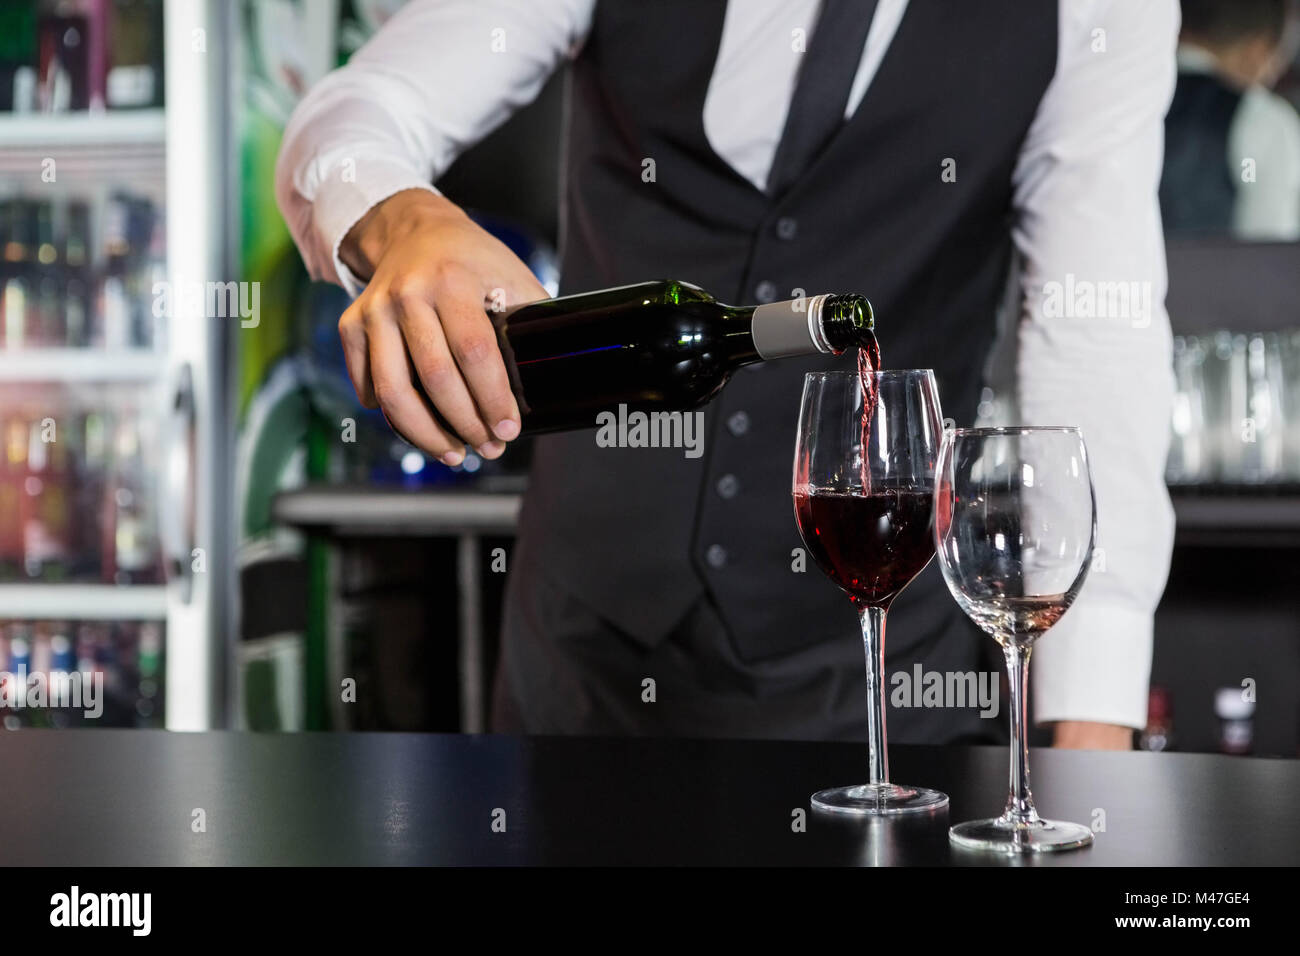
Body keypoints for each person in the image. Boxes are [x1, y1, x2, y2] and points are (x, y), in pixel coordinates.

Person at [276, 0, 1178, 749]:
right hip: (585, 657)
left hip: (882, 672)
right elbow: (356, 113)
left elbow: (1094, 337)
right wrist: (404, 221)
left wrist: (1088, 735)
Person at [1161, 0, 1300, 239]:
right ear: (1257, 50)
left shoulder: (1116, 99)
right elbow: (1271, 253)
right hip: (1215, 275)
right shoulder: (1264, 119)